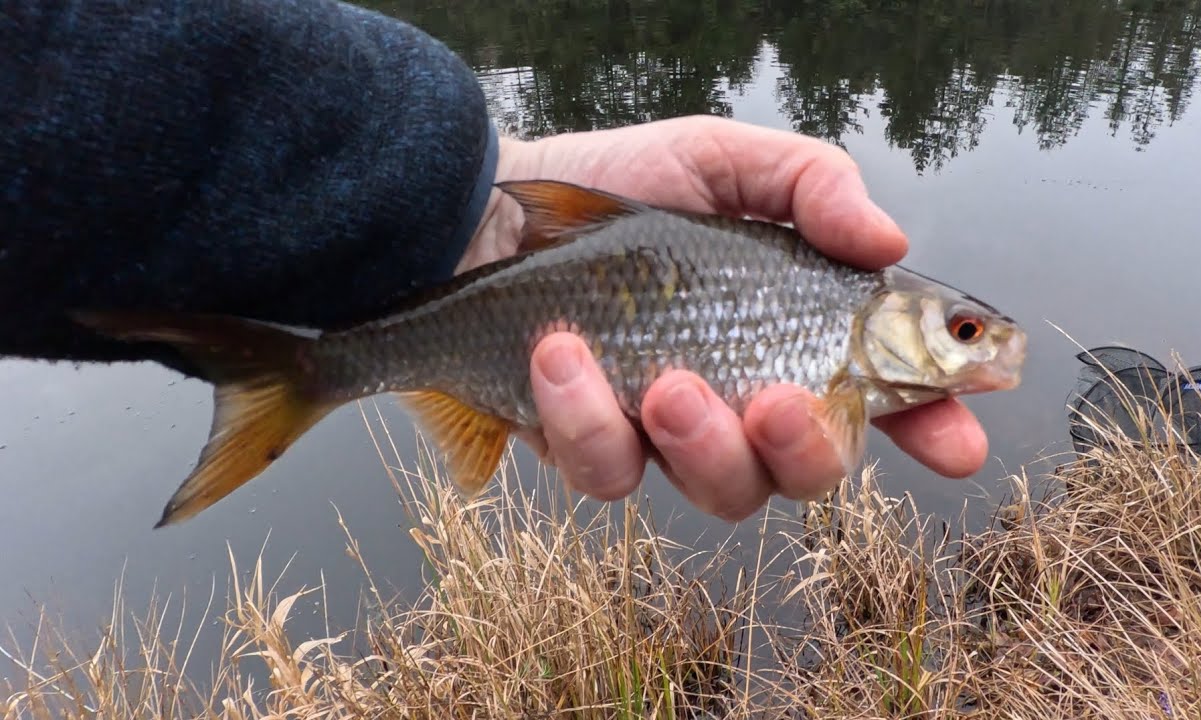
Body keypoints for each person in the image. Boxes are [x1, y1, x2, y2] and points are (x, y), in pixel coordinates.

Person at [1, 0, 988, 522]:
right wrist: (468, 196)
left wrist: (467, 193)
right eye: (961, 331)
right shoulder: (843, 330)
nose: (975, 348)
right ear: (892, 316)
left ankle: (307, 374)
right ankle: (302, 378)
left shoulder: (840, 341)